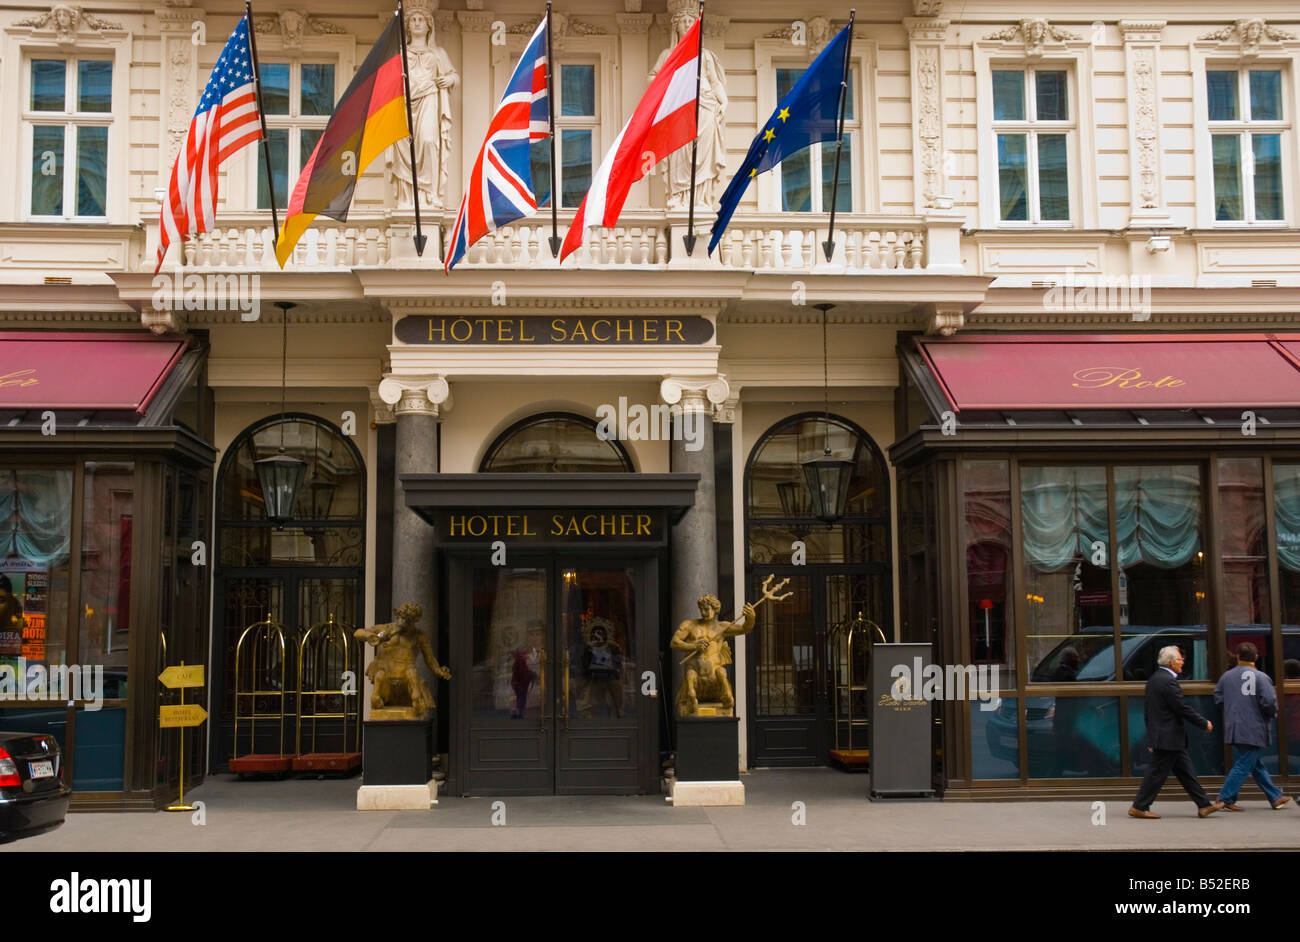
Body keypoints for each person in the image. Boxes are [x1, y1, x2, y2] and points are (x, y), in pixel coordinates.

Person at [1129, 645, 1224, 819]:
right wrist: (1203, 723)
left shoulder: (1155, 679)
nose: (1182, 663)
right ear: (1172, 662)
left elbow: (1150, 711)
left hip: (1167, 737)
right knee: (1156, 774)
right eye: (1180, 660)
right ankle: (1139, 806)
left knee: (1186, 773)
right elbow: (1182, 707)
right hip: (1167, 737)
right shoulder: (1167, 681)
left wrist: (1151, 736)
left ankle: (1203, 805)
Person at [1214, 642, 1291, 811]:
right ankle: (1225, 797)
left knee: (1253, 763)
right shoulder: (1262, 677)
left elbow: (1218, 697)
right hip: (1254, 726)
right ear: (1256, 657)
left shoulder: (1226, 677)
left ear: (1238, 657)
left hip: (1234, 725)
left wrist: (1231, 710)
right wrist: (1270, 715)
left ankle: (1275, 797)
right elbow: (1269, 702)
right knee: (1244, 764)